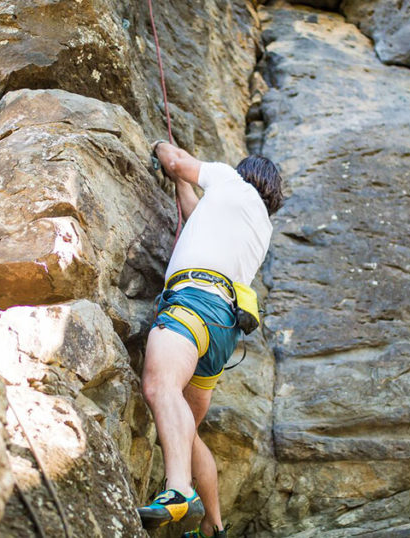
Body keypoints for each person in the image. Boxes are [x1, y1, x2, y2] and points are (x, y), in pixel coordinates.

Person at [137, 141, 284, 537]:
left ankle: (179, 490)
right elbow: (196, 215)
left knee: (159, 386)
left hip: (195, 302)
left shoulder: (230, 180)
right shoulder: (260, 227)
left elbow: (176, 161)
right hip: (222, 330)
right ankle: (213, 526)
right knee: (186, 429)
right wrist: (180, 185)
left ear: (245, 173)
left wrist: (159, 146)